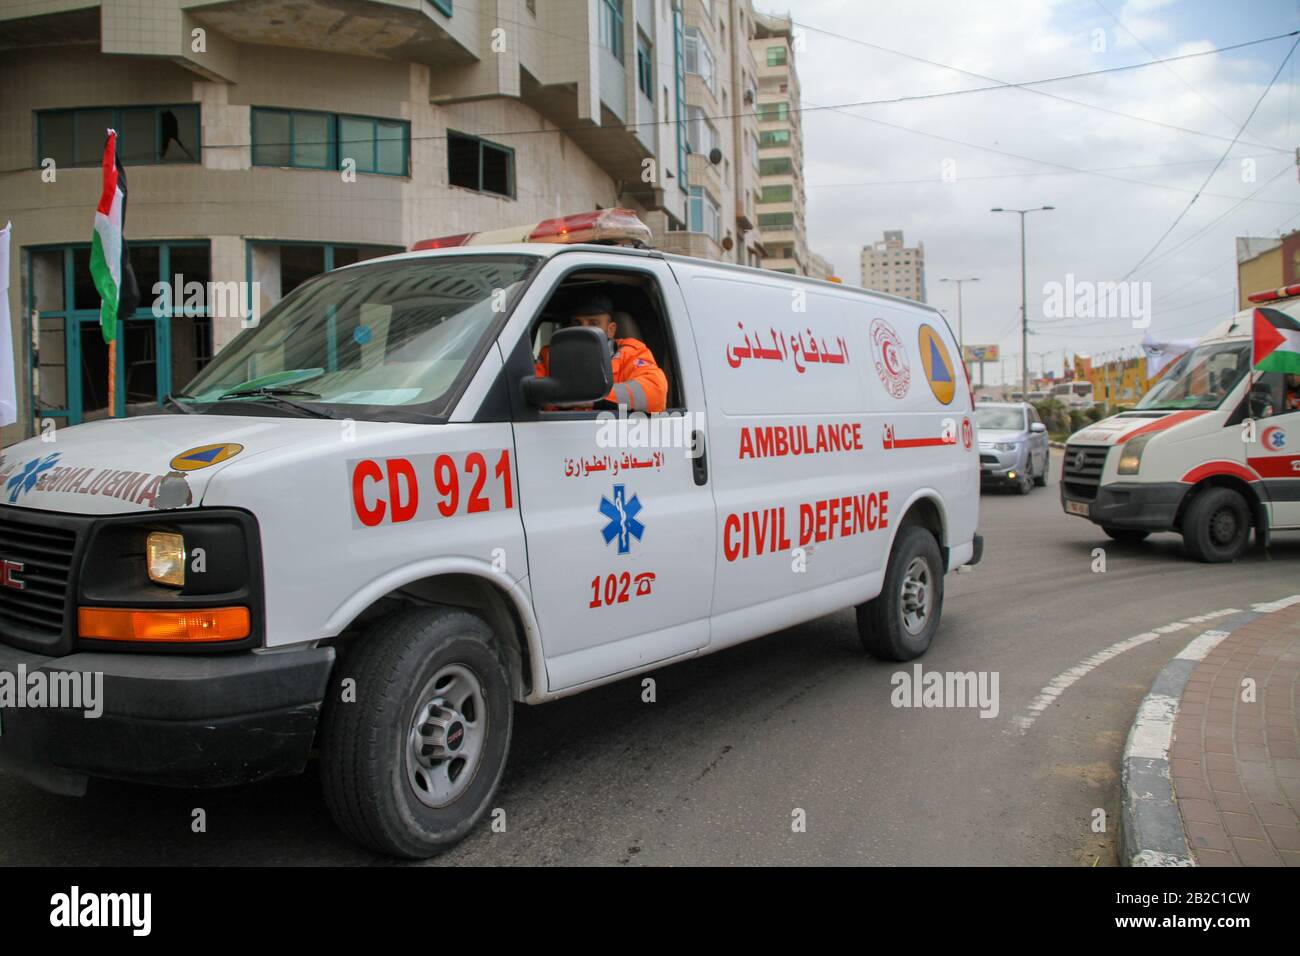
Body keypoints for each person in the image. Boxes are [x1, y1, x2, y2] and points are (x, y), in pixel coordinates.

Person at [534, 293, 668, 413]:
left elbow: (656, 393)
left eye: (593, 323)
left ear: (611, 329)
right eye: (577, 322)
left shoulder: (630, 352)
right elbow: (530, 389)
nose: (583, 329)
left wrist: (589, 397)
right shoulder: (551, 354)